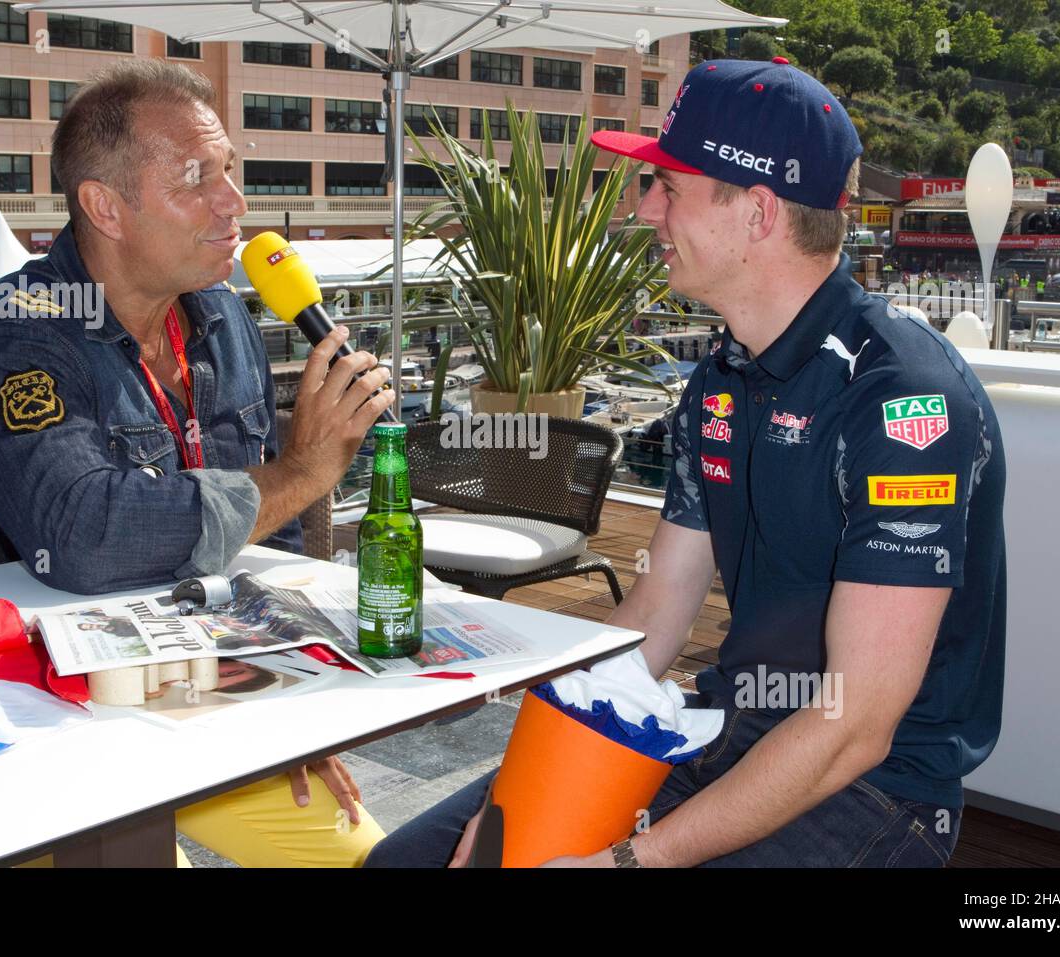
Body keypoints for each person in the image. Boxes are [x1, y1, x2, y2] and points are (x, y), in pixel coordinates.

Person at [366, 58, 1006, 868]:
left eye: (670, 186)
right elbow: (656, 612)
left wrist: (629, 862)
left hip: (878, 789)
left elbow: (857, 722)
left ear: (759, 213)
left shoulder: (901, 401)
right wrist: (514, 806)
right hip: (725, 733)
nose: (645, 208)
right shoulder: (719, 381)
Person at [0, 60, 392, 867]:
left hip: (198, 681)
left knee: (365, 858)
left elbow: (262, 533)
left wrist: (291, 693)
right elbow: (83, 534)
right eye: (197, 179)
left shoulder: (221, 315)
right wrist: (299, 472)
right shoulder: (16, 334)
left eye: (230, 173)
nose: (235, 204)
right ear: (104, 207)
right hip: (33, 715)